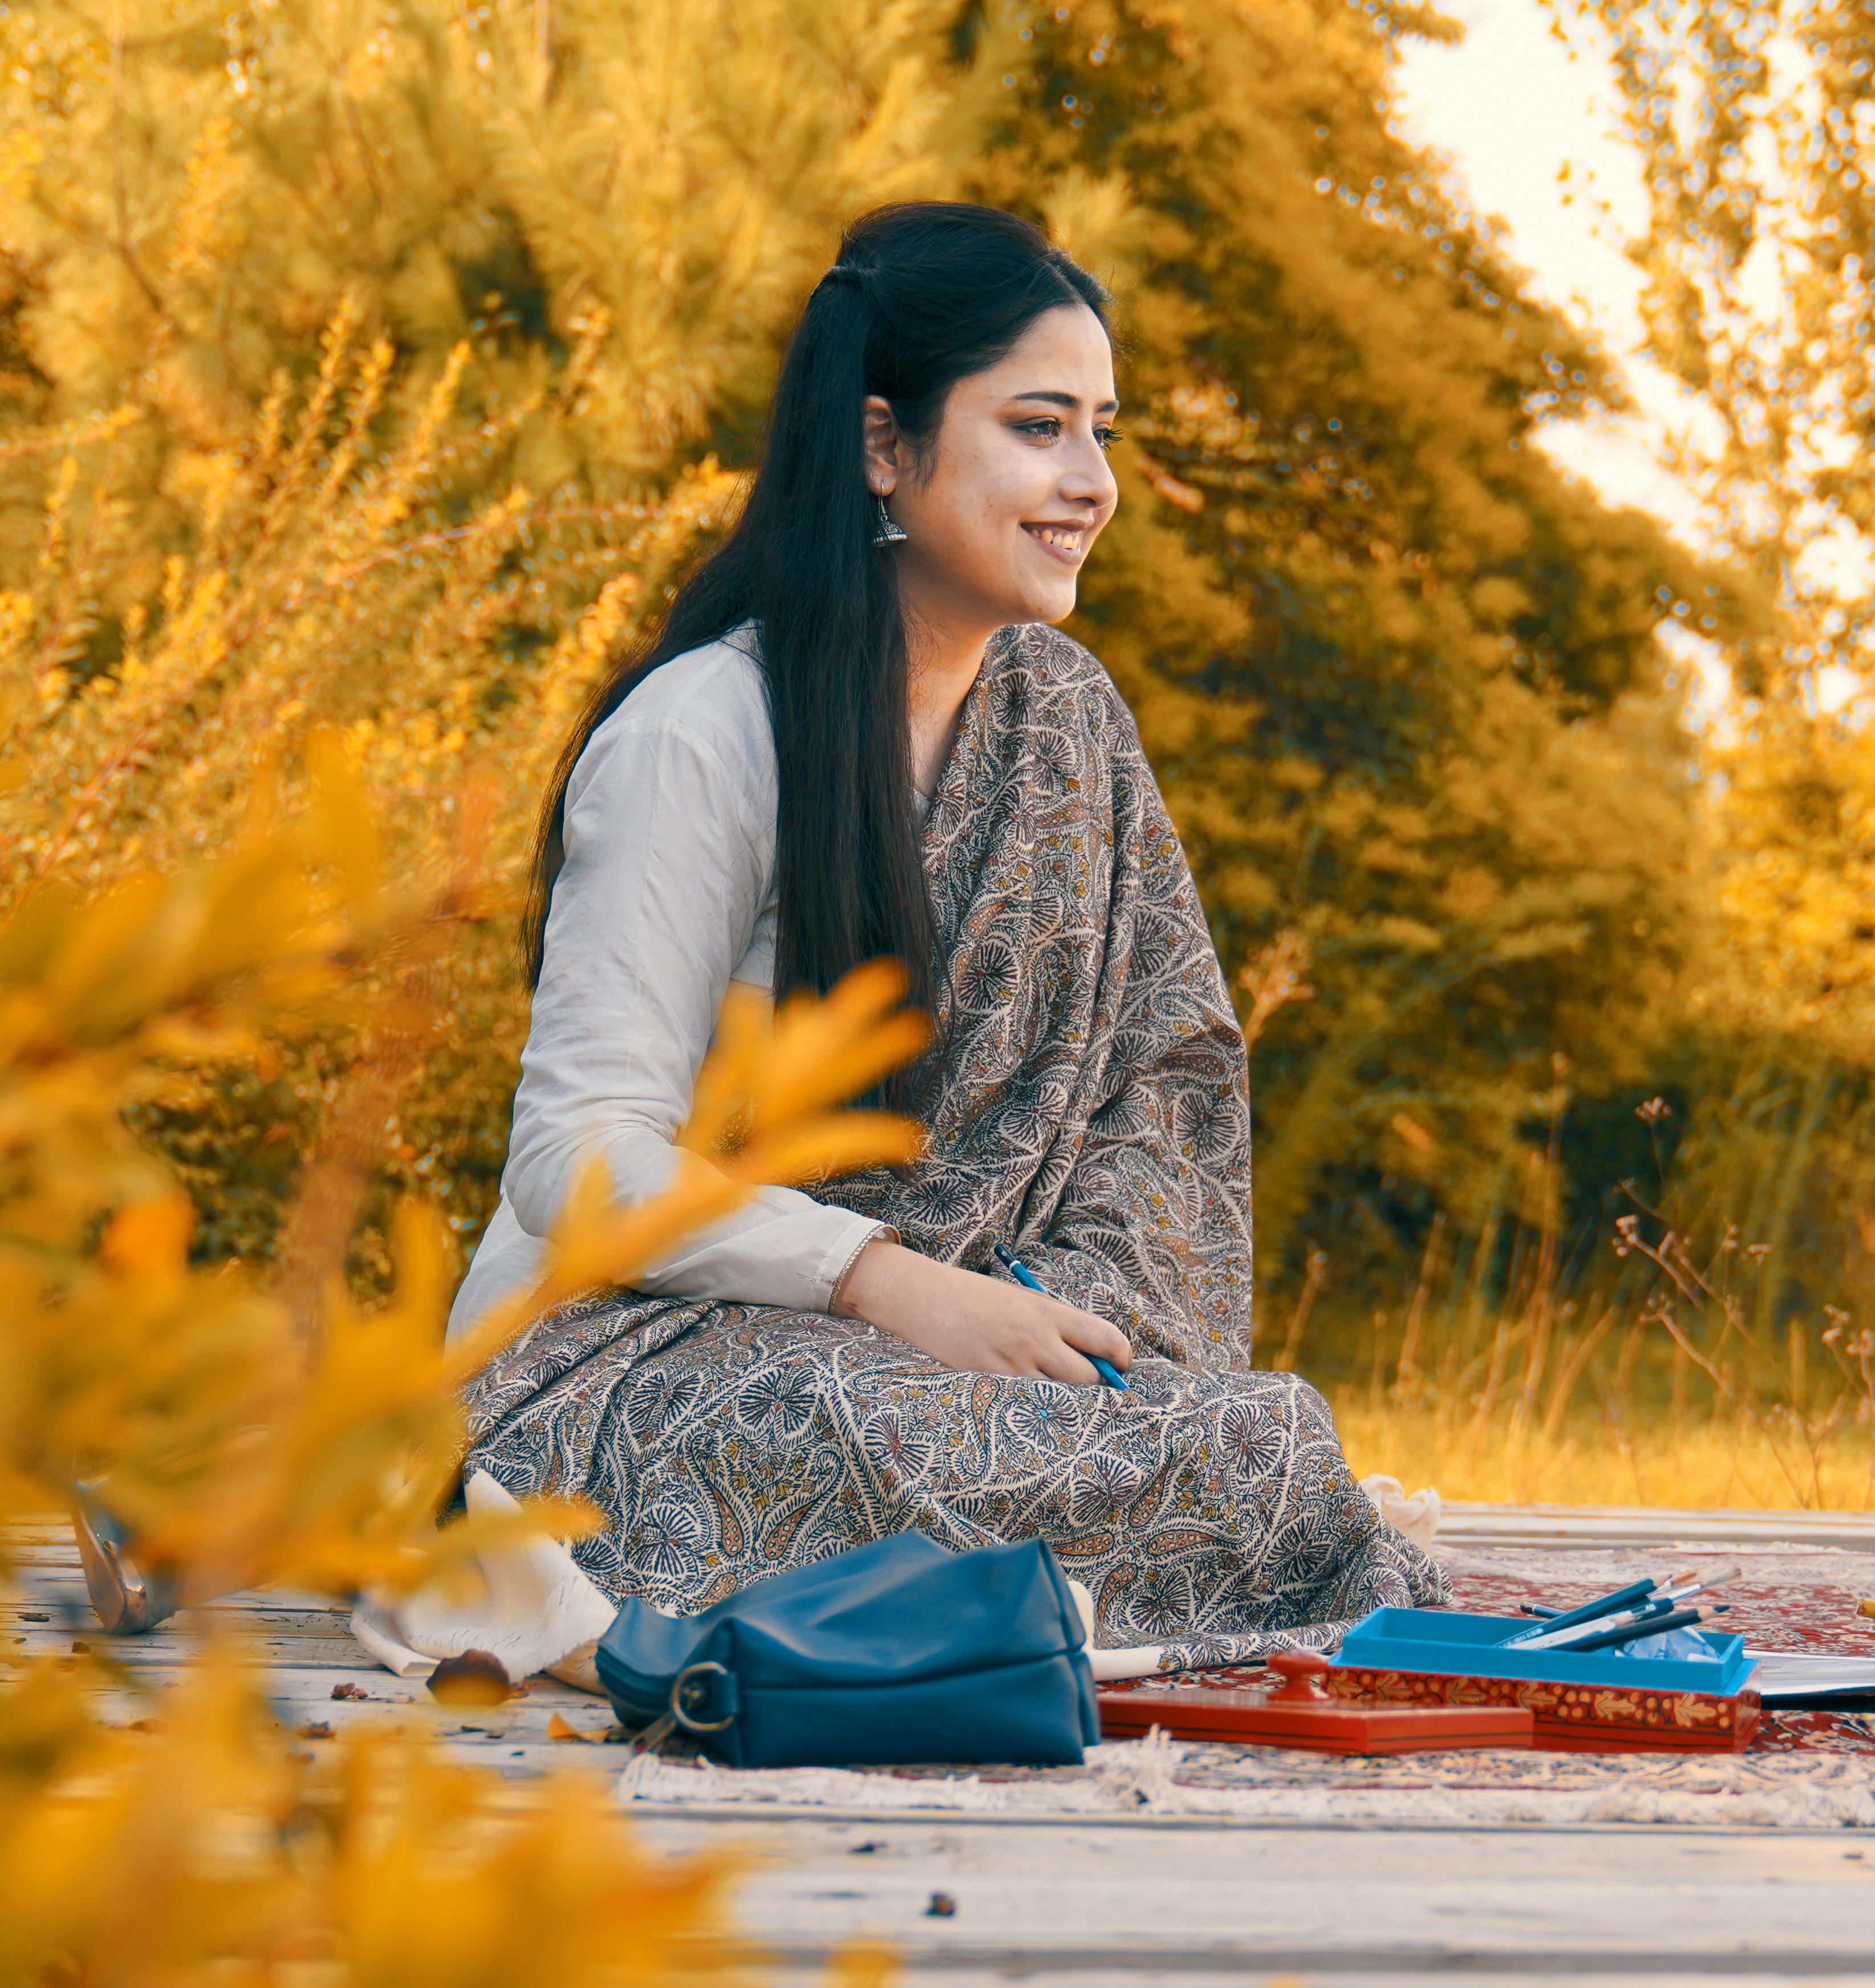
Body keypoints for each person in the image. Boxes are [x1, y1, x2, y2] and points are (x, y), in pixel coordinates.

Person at [451, 199, 1444, 1670]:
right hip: (639, 1353)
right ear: (879, 446)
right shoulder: (704, 737)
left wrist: (1053, 1316)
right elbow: (579, 1157)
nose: (1092, 482)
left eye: (1104, 430)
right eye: (1040, 427)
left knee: (1261, 1440)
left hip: (958, 1345)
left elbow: (1161, 1080)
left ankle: (1055, 1567)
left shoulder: (1067, 722)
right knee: (882, 1436)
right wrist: (886, 1283)